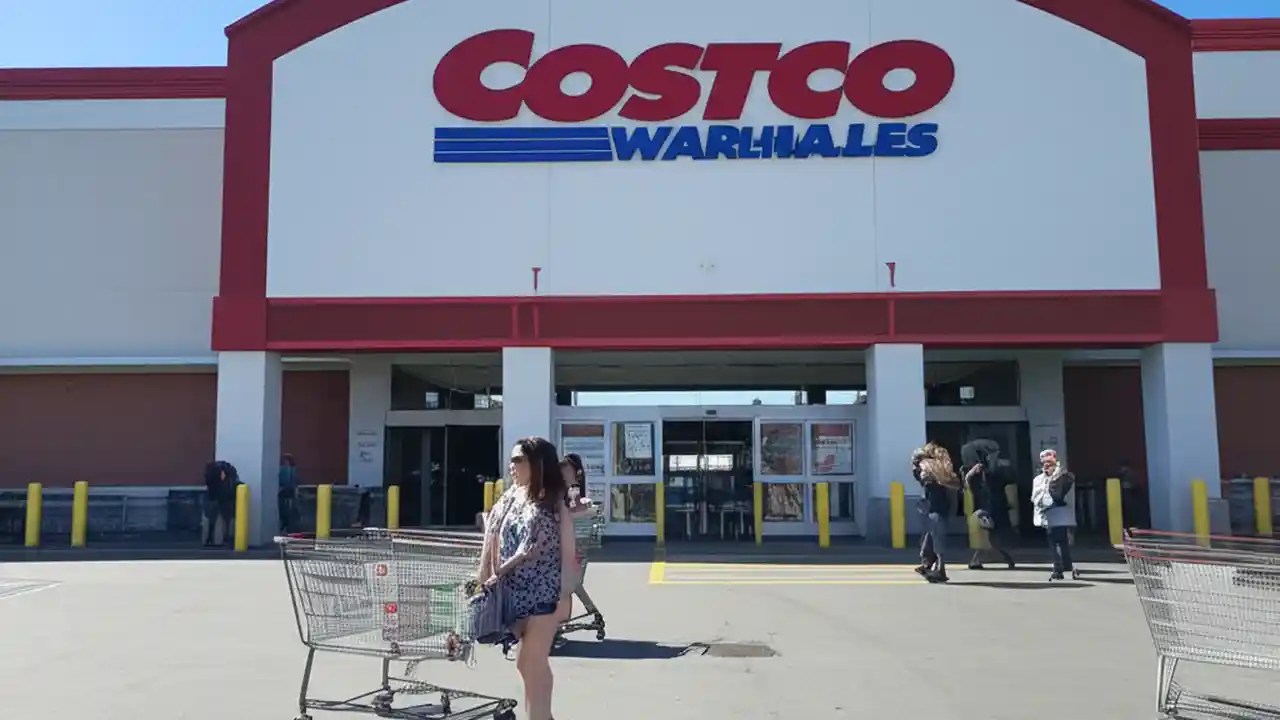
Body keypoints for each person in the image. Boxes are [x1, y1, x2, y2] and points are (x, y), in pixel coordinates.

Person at [478, 437, 576, 720]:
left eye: (518, 460)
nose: (511, 466)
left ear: (537, 464)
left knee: (532, 663)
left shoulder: (553, 502)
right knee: (526, 663)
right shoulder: (511, 497)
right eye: (511, 460)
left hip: (544, 596)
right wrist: (483, 577)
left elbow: (568, 551)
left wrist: (565, 595)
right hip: (513, 594)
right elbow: (493, 537)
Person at [960, 440, 1016, 570]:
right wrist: (972, 473)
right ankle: (986, 558)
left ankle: (1000, 557)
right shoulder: (971, 471)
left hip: (994, 507)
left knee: (991, 535)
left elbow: (1008, 480)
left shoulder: (995, 471)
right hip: (983, 508)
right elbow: (965, 486)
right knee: (986, 535)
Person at [912, 443, 960, 583]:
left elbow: (925, 484)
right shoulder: (941, 474)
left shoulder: (928, 473)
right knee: (931, 538)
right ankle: (928, 564)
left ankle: (940, 570)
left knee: (937, 540)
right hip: (938, 509)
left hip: (936, 509)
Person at [1031, 448, 1079, 581]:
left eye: (1050, 463)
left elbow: (1058, 495)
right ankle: (1066, 567)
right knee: (1060, 541)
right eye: (1045, 463)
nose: (1047, 466)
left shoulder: (1063, 477)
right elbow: (1036, 497)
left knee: (1057, 541)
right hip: (1049, 515)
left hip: (1059, 514)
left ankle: (1059, 568)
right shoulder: (1039, 479)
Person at [278, 453, 299, 533]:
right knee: (285, 510)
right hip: (285, 493)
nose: (286, 462)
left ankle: (287, 526)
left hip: (287, 493)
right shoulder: (288, 470)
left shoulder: (289, 470)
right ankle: (285, 526)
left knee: (288, 511)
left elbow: (293, 481)